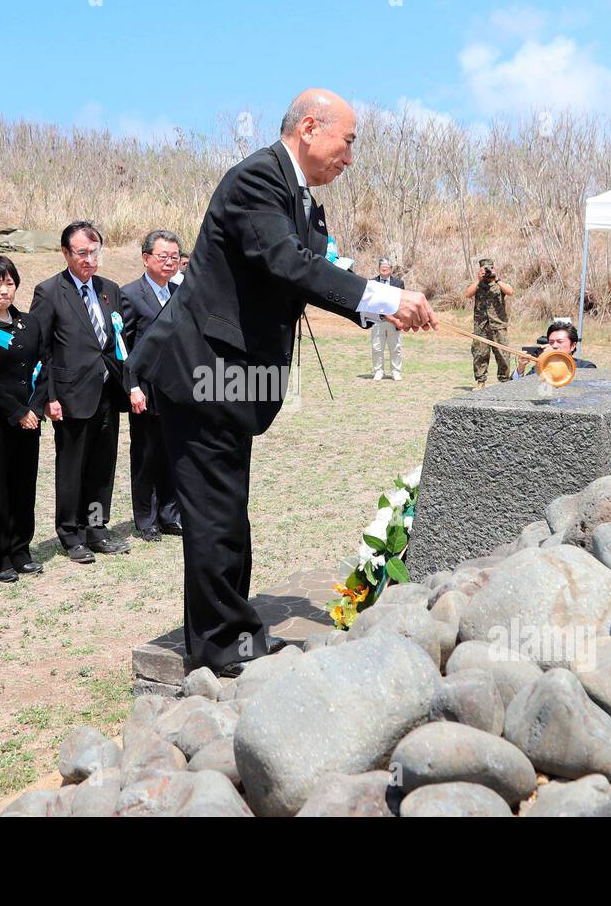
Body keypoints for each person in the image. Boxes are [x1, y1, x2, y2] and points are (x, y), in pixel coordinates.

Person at [128, 88, 437, 677]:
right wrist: (387, 296)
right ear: (312, 127)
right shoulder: (256, 180)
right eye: (348, 142)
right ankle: (224, 650)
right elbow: (286, 263)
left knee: (227, 507)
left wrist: (382, 306)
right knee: (215, 512)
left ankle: (227, 633)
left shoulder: (301, 198)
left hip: (231, 378)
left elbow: (315, 270)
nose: (350, 158)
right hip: (202, 370)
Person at [31, 221, 131, 563]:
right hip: (71, 394)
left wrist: (128, 385)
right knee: (72, 467)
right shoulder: (49, 291)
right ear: (66, 253)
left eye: (95, 252)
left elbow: (118, 344)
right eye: (82, 253)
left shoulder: (110, 289)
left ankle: (96, 527)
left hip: (107, 391)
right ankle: (71, 533)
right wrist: (49, 396)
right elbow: (40, 348)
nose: (90, 259)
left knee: (103, 465)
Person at [0, 255, 47, 583]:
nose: (3, 290)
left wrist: (35, 408)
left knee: (23, 487)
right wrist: (16, 412)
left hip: (30, 418)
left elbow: (45, 366)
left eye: (9, 282)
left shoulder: (30, 323)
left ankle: (21, 549)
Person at [121, 230, 184, 542]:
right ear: (146, 258)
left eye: (174, 256)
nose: (169, 262)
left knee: (173, 454)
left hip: (176, 389)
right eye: (163, 256)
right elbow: (124, 347)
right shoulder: (130, 295)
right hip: (145, 390)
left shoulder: (180, 293)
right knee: (146, 456)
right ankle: (146, 519)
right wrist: (132, 386)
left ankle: (171, 515)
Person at [464, 258, 513, 388]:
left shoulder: (499, 283)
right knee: (480, 354)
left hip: (498, 325)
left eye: (489, 268)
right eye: (484, 269)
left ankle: (504, 383)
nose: (487, 271)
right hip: (481, 326)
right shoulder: (477, 284)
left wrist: (495, 278)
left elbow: (510, 291)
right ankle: (481, 382)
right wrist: (478, 279)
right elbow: (468, 294)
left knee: (503, 354)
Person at [369, 258, 405, 380]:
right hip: (377, 320)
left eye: (387, 267)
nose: (384, 268)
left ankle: (396, 371)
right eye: (382, 266)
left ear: (391, 269)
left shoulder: (398, 283)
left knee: (395, 347)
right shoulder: (372, 282)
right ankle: (378, 371)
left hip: (394, 320)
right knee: (377, 347)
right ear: (378, 268)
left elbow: (402, 302)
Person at [526, 321, 596, 374]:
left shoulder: (586, 367)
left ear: (573, 346)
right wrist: (520, 369)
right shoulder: (539, 367)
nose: (554, 346)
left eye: (560, 341)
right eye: (551, 342)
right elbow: (523, 388)